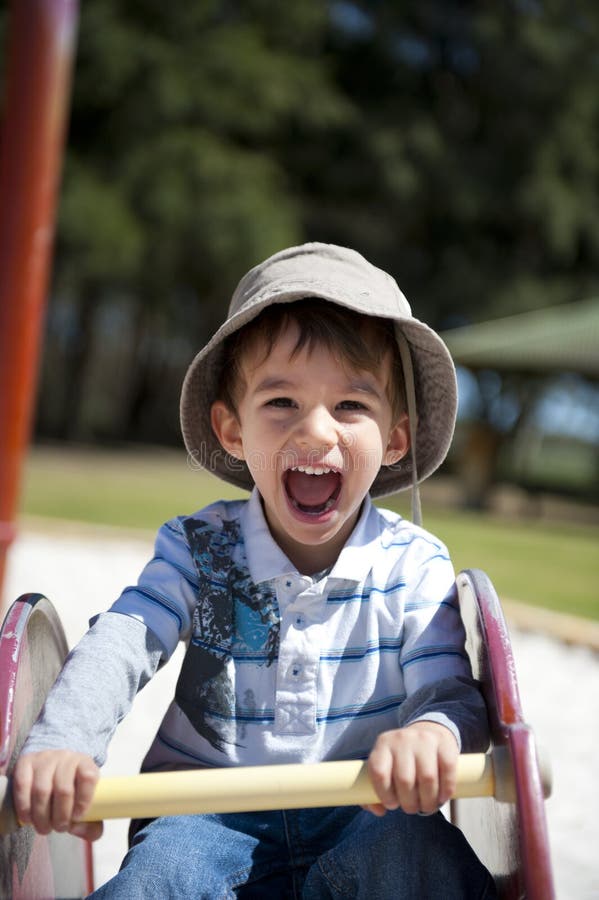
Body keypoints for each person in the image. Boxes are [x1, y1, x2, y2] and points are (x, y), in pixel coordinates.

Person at [14, 243, 496, 898]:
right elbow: (125, 639)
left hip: (366, 808)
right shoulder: (200, 548)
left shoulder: (411, 565)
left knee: (423, 860)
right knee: (156, 882)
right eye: (280, 403)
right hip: (203, 811)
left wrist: (430, 734)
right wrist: (65, 742)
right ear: (232, 428)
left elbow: (446, 688)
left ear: (394, 438)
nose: (317, 433)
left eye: (351, 406)